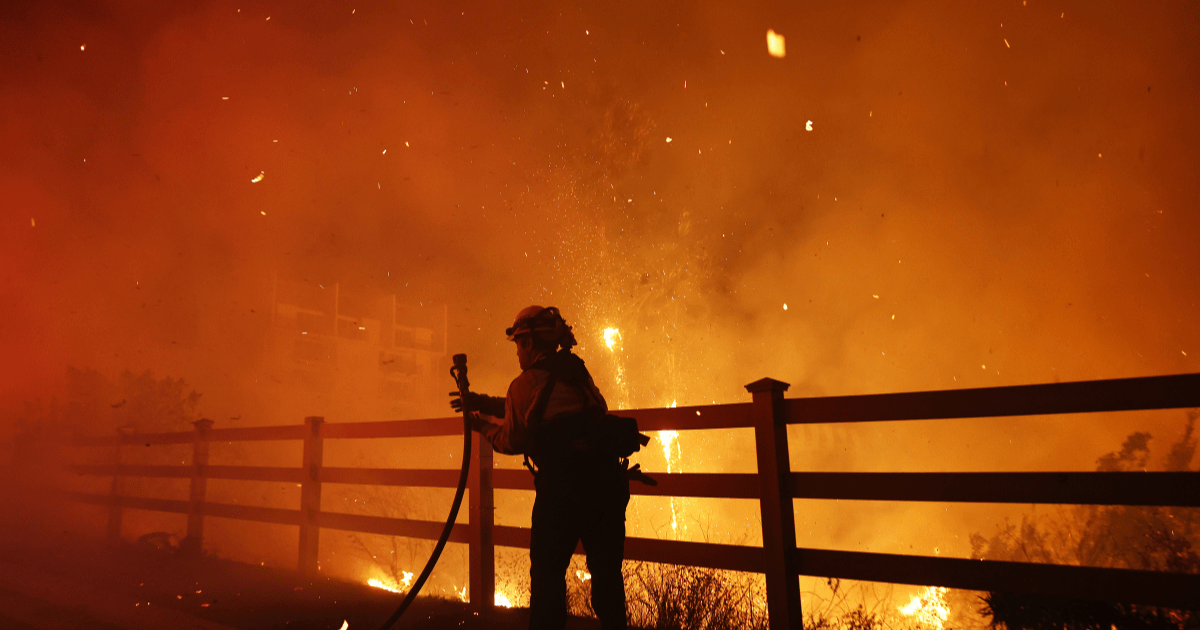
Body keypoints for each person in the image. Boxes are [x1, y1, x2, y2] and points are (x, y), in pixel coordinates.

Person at [451, 305, 630, 630]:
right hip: (605, 485)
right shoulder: (577, 371)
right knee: (607, 580)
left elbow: (511, 440)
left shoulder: (525, 382)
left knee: (547, 580)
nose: (518, 353)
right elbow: (556, 409)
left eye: (519, 345)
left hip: (562, 489)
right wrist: (485, 401)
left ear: (530, 344)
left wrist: (481, 427)